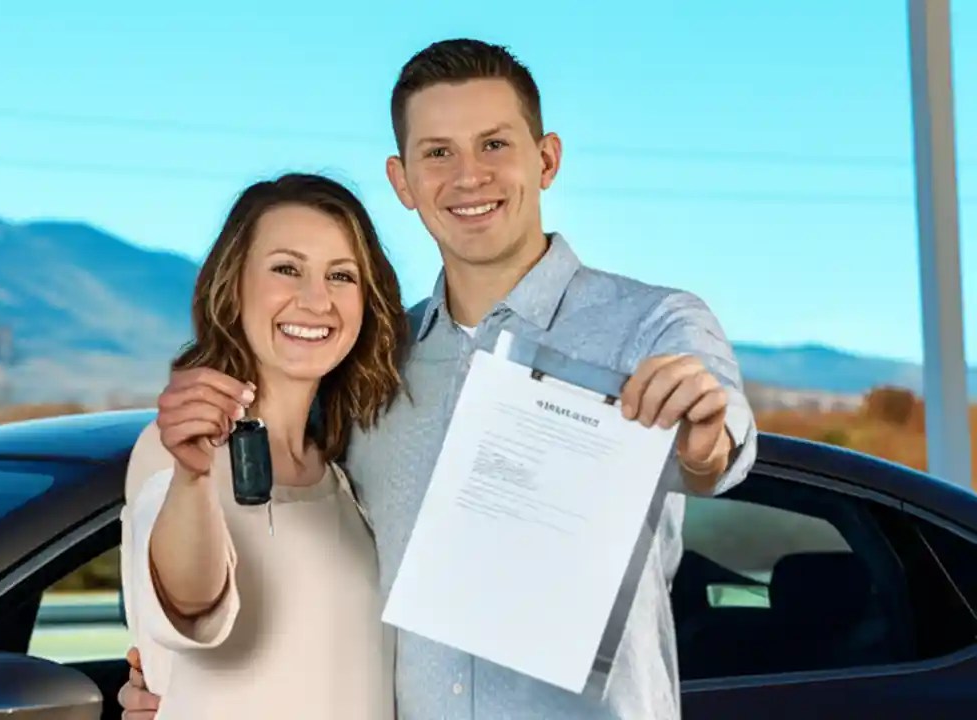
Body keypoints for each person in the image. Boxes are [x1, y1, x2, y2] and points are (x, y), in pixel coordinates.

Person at [123, 38, 758, 720]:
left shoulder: (653, 323)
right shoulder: (372, 369)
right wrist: (185, 689)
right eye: (438, 153)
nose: (468, 177)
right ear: (403, 181)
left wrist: (704, 433)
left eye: (493, 145)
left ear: (546, 160)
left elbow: (718, 450)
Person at [117, 172, 408, 719]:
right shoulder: (176, 448)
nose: (315, 300)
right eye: (286, 269)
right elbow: (191, 599)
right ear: (234, 286)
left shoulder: (343, 475)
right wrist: (193, 476)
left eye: (341, 276)